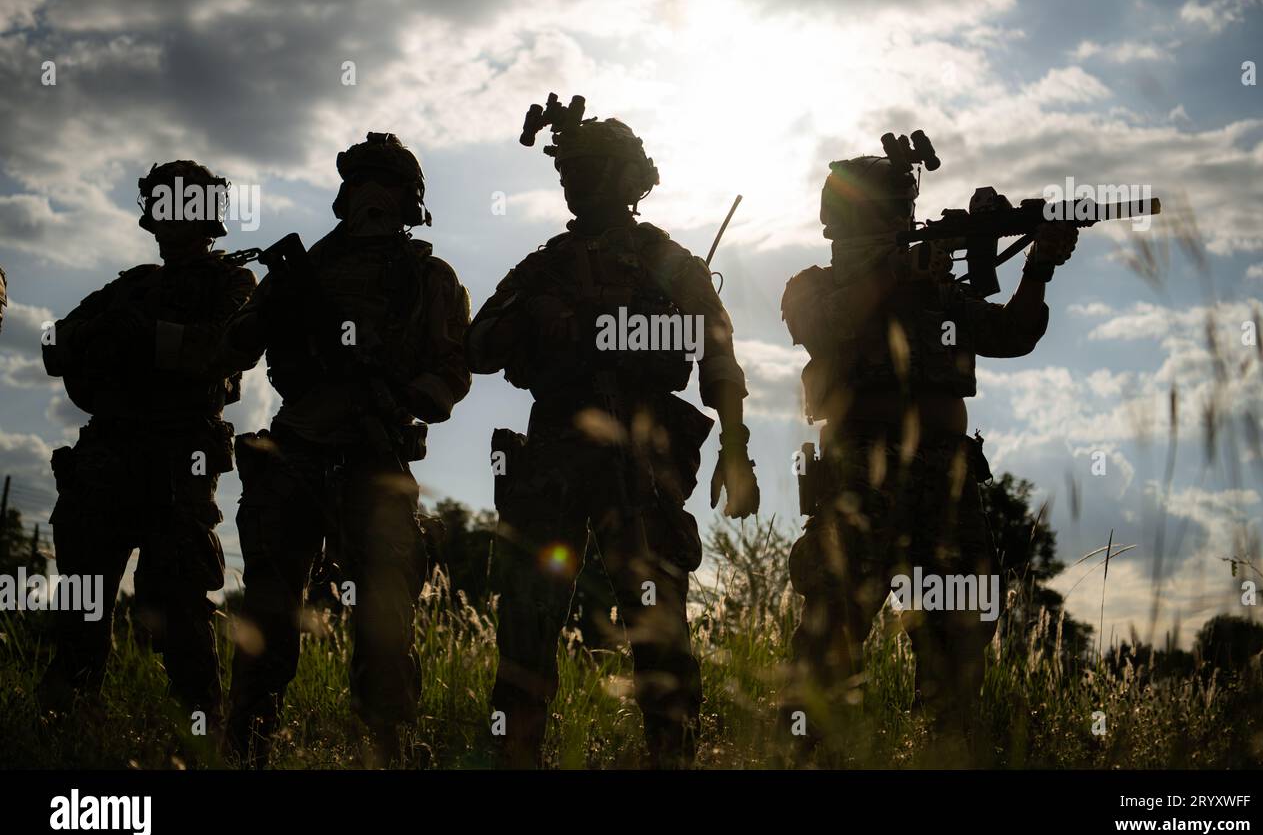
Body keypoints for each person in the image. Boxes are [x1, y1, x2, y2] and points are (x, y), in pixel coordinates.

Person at [469, 104, 759, 767]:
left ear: (628, 177)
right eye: (569, 171)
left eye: (590, 169)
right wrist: (537, 316)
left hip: (642, 463)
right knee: (528, 631)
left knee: (659, 636)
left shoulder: (668, 262)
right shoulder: (545, 266)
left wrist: (736, 450)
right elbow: (479, 346)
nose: (576, 183)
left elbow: (717, 357)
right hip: (556, 460)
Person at [781, 149, 1077, 760]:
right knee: (832, 635)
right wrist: (900, 272)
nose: (903, 221)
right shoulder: (814, 285)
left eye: (905, 211)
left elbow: (1011, 334)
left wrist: (1040, 268)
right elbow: (826, 323)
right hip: (862, 473)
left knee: (962, 635)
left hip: (946, 478)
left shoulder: (935, 294)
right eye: (892, 211)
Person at [224, 132, 471, 767]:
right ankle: (248, 750)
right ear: (346, 194)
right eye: (365, 184)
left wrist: (406, 397)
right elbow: (235, 348)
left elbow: (454, 371)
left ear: (410, 203)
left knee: (385, 626)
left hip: (376, 461)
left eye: (387, 187)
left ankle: (385, 751)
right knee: (269, 619)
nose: (375, 198)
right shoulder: (302, 272)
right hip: (296, 452)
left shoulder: (429, 279)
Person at [40, 160, 256, 745]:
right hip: (106, 458)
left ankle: (201, 740)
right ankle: (63, 732)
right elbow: (54, 342)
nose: (169, 215)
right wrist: (104, 332)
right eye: (162, 203)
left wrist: (143, 336)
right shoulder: (131, 284)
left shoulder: (232, 283)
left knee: (179, 606)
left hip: (178, 463)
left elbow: (225, 349)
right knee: (81, 604)